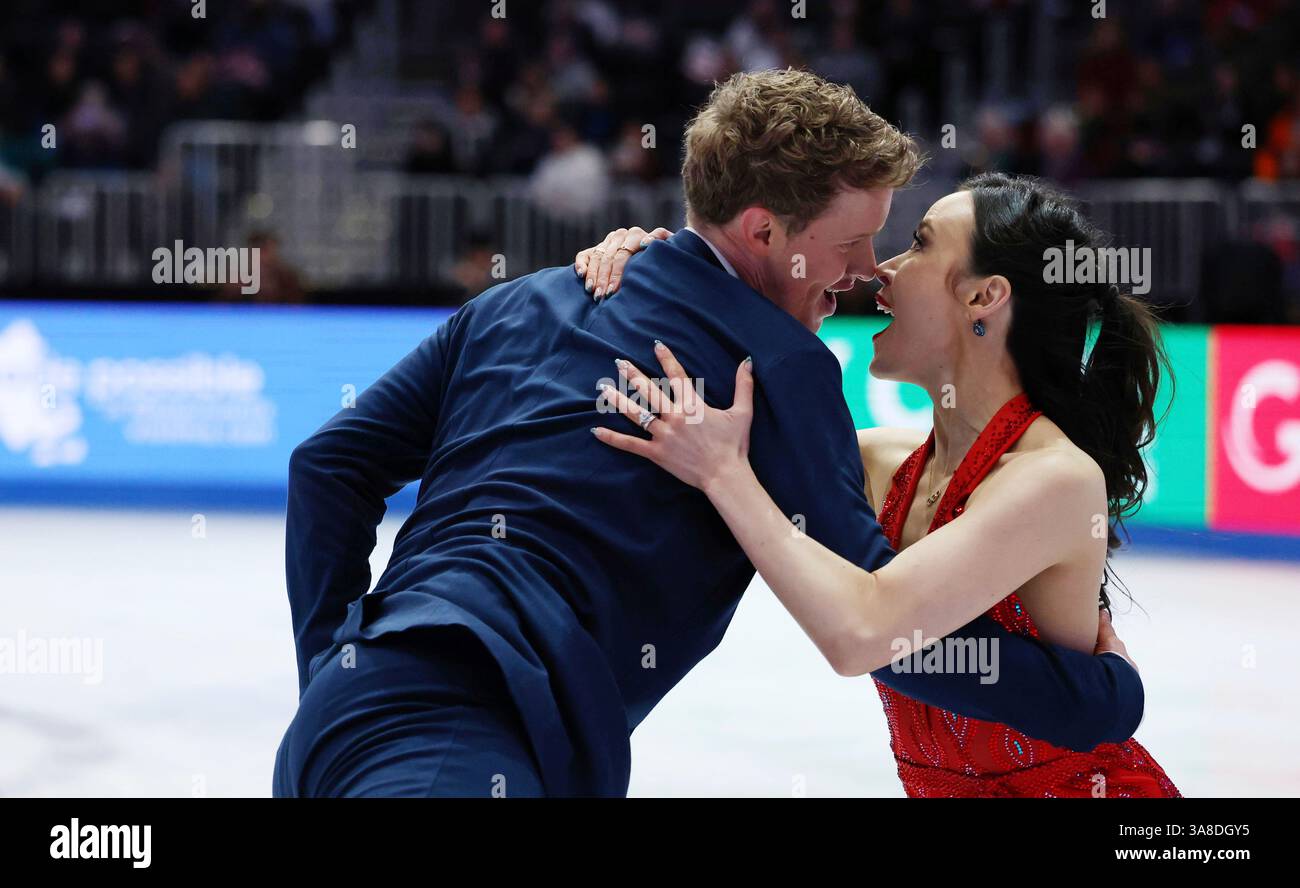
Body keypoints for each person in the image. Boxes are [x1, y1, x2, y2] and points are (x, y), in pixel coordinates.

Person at [273, 70, 1145, 798]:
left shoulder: (520, 300)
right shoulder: (773, 370)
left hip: (360, 725)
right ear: (764, 228)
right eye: (855, 239)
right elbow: (878, 633)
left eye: (897, 242)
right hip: (463, 740)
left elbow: (326, 468)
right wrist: (1102, 698)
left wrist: (341, 673)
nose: (863, 272)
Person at [584, 172, 1181, 797]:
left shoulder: (1055, 478)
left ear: (985, 297)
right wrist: (650, 265)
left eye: (920, 243)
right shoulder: (874, 462)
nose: (882, 270)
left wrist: (724, 472)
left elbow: (867, 632)